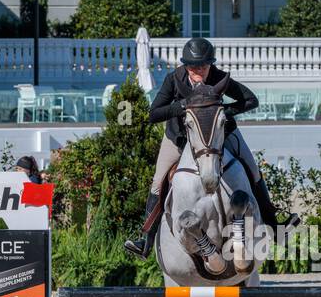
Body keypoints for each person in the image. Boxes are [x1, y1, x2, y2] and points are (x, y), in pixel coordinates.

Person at [124, 37, 297, 258]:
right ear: (185, 66)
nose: (199, 71)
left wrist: (222, 112)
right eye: (194, 67)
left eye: (203, 66)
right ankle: (146, 241)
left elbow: (251, 100)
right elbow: (154, 114)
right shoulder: (174, 79)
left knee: (253, 171)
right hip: (179, 137)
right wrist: (184, 106)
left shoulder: (218, 77)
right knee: (158, 183)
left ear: (210, 65)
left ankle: (275, 227)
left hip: (221, 136)